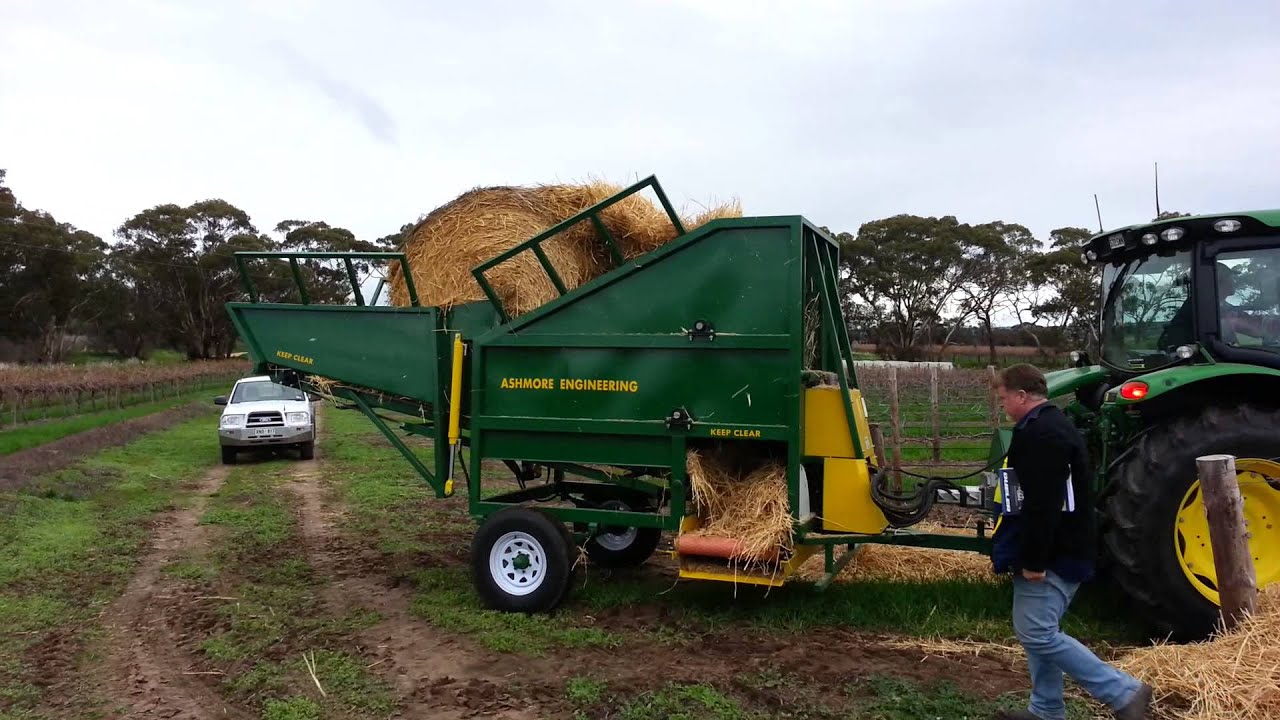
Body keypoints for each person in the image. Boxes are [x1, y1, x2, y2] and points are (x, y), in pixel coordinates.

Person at [990, 364, 1154, 720]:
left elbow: (1043, 503)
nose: (1002, 405)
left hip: (1054, 554)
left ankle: (1125, 693)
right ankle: (1046, 710)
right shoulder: (1046, 426)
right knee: (1040, 629)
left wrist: (1034, 559)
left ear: (1021, 396)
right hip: (1060, 547)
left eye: (1003, 398)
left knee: (1037, 632)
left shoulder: (1044, 435)